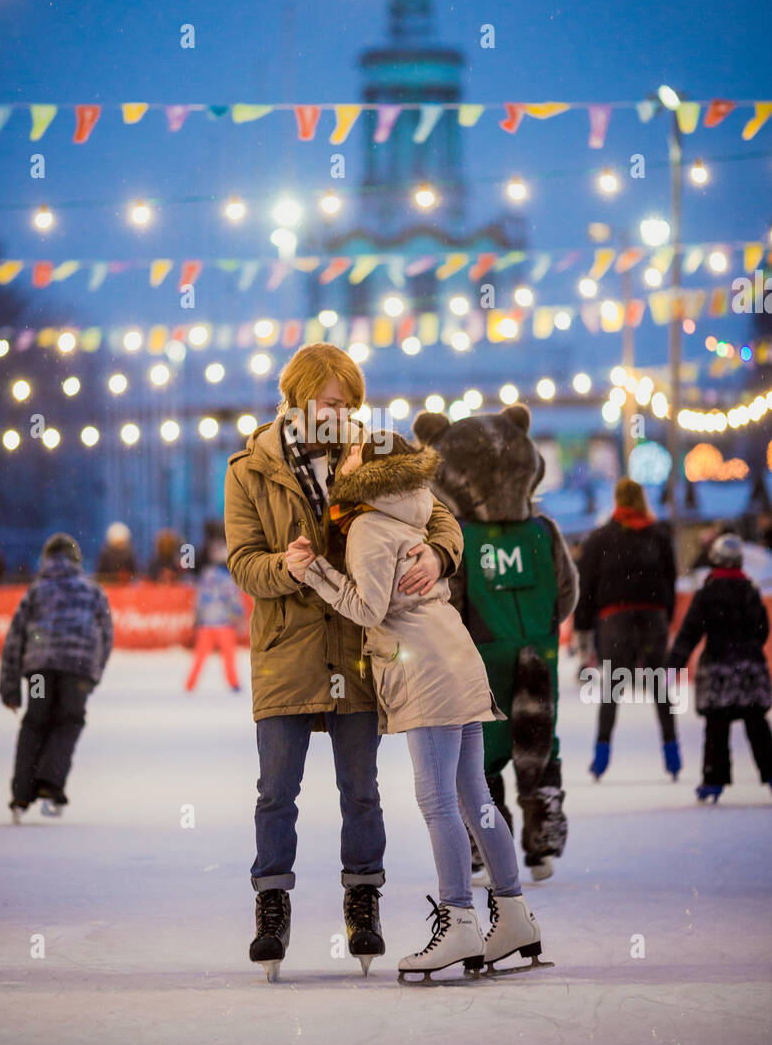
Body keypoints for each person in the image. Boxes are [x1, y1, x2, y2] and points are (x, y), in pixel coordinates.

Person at [223, 342, 464, 980]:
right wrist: (286, 566)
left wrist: (439, 555)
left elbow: (442, 520)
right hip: (287, 652)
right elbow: (244, 562)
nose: (342, 415)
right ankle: (271, 907)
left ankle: (363, 902)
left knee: (361, 791)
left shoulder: (374, 453)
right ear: (299, 396)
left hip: (361, 649)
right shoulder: (250, 469)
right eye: (331, 402)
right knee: (276, 792)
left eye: (350, 404)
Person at [294, 434, 549, 982]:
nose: (349, 457)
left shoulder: (367, 525)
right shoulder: (415, 510)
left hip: (424, 669)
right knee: (474, 794)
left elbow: (367, 608)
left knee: (437, 801)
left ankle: (458, 920)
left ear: (373, 474)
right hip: (458, 656)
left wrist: (314, 570)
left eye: (358, 455)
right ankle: (514, 914)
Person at [0, 533, 114, 821]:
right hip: (77, 670)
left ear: (46, 559)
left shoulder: (36, 592)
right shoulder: (92, 591)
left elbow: (15, 639)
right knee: (68, 720)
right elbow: (107, 635)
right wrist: (94, 673)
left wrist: (10, 688)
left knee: (35, 722)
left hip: (40, 671)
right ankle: (50, 784)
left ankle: (21, 795)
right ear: (77, 559)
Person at [574, 477, 680, 780]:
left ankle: (601, 756)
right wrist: (666, 614)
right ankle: (672, 755)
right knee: (659, 686)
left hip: (615, 619)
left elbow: (587, 584)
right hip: (653, 617)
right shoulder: (659, 535)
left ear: (618, 500)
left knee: (612, 688)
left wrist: (584, 624)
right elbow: (670, 579)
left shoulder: (600, 538)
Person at [668, 533, 772, 802]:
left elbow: (689, 632)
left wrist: (673, 666)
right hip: (749, 668)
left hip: (717, 669)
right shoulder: (751, 592)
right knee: (757, 724)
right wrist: (747, 649)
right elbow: (763, 629)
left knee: (716, 726)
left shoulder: (707, 593)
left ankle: (713, 781)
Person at [185, 534, 244, 692]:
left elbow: (198, 599)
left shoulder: (205, 575)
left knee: (199, 657)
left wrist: (197, 617)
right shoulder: (228, 578)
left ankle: (190, 684)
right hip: (224, 623)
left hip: (206, 623)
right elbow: (233, 598)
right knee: (229, 657)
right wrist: (239, 615)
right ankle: (233, 683)